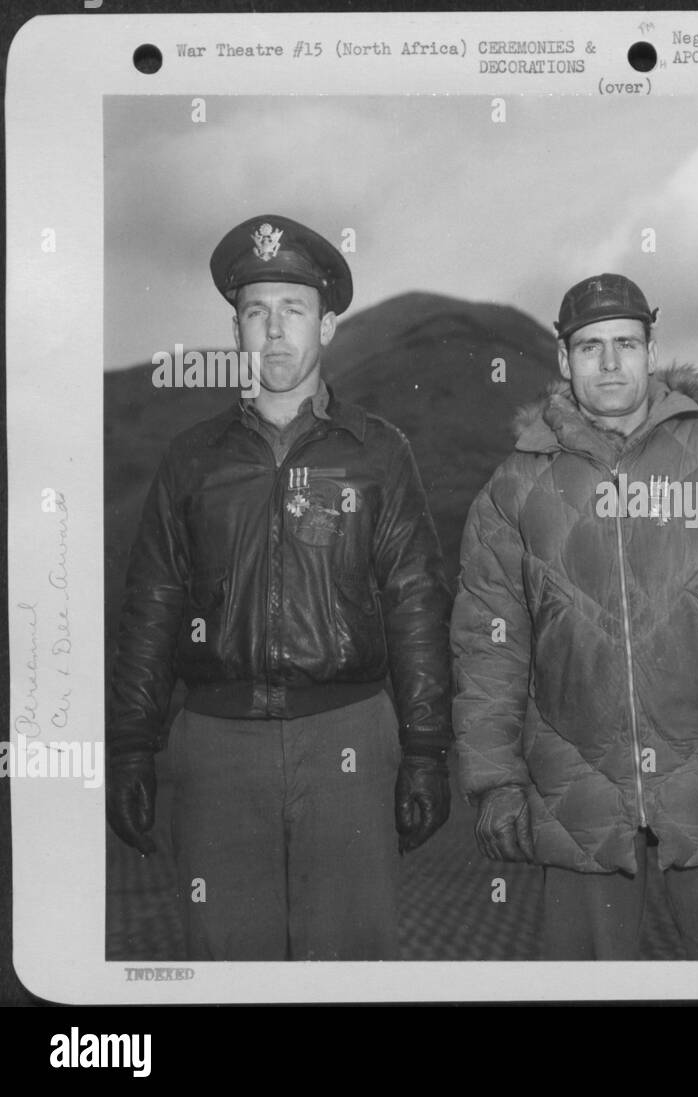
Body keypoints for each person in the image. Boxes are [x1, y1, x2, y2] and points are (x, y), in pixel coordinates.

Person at [451, 273, 698, 960]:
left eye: (627, 342)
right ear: (563, 361)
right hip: (576, 790)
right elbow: (488, 647)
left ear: (652, 353)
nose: (610, 362)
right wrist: (495, 779)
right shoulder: (515, 487)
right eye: (589, 346)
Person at [107, 214, 453, 960]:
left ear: (327, 324)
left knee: (350, 962)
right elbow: (151, 608)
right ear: (236, 329)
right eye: (255, 311)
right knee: (227, 960)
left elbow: (416, 601)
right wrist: (132, 744)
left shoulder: (378, 453)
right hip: (216, 745)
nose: (273, 330)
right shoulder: (191, 459)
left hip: (348, 740)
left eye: (293, 310)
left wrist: (425, 748)